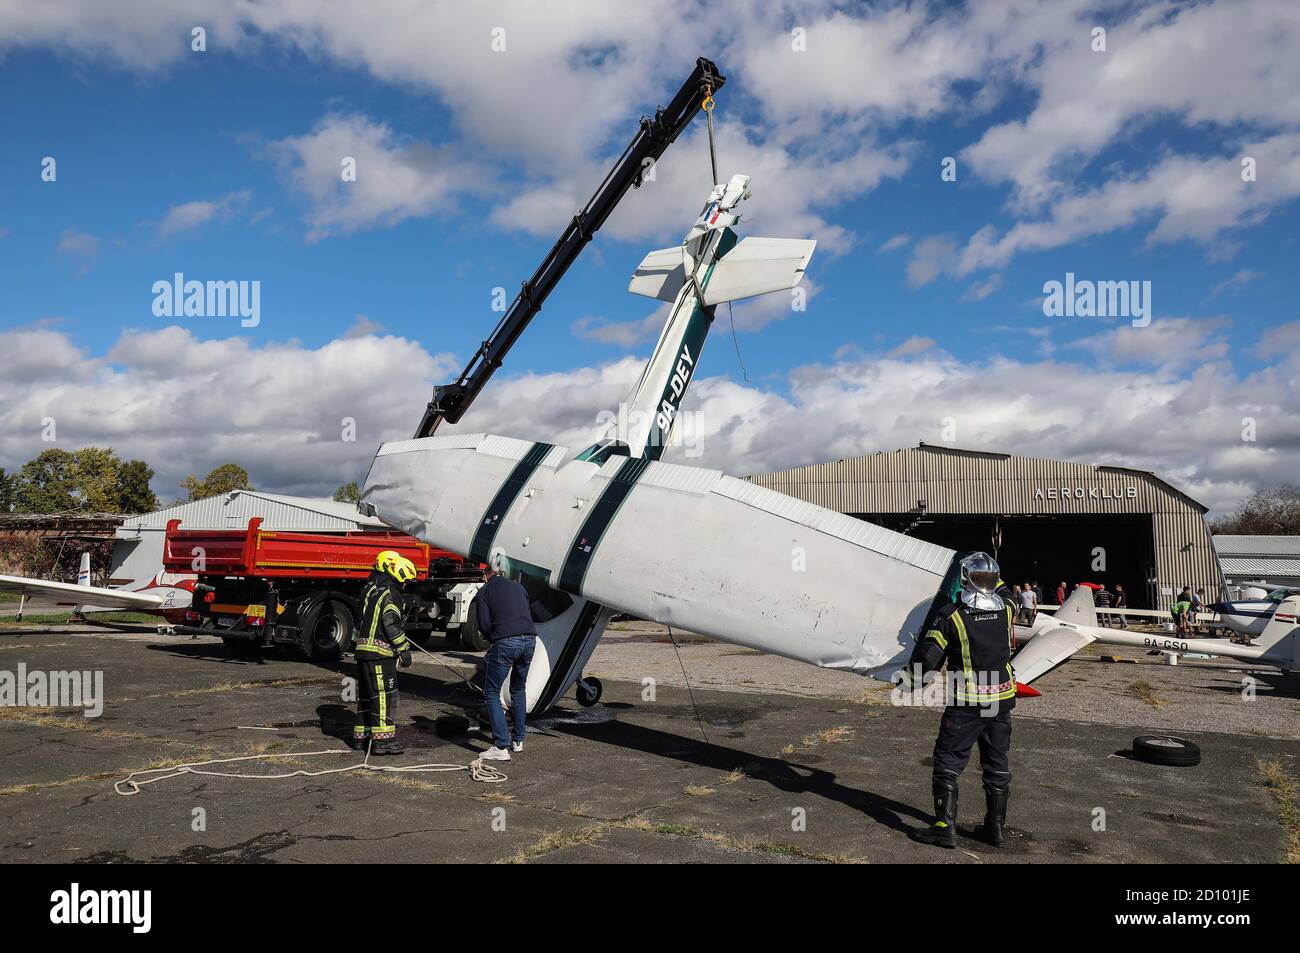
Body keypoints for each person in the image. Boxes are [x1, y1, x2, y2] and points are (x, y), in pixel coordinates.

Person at [902, 552, 1017, 849]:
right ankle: (995, 829)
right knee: (996, 764)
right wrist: (991, 570)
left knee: (948, 763)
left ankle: (944, 828)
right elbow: (1003, 589)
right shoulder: (1006, 608)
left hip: (966, 702)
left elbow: (926, 662)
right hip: (1001, 699)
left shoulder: (950, 615)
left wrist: (905, 682)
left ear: (966, 579)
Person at [474, 558, 538, 762]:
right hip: (529, 640)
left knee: (491, 692)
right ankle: (518, 740)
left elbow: (484, 625)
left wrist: (494, 641)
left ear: (486, 575)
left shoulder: (484, 591)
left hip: (506, 642)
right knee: (518, 689)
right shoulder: (518, 587)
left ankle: (501, 745)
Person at [353, 550, 415, 755]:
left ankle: (361, 738)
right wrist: (403, 649)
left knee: (366, 696)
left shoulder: (370, 590)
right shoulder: (391, 594)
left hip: (363, 651)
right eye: (406, 582)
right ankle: (383, 741)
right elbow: (390, 623)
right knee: (384, 696)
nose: (406, 586)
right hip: (379, 654)